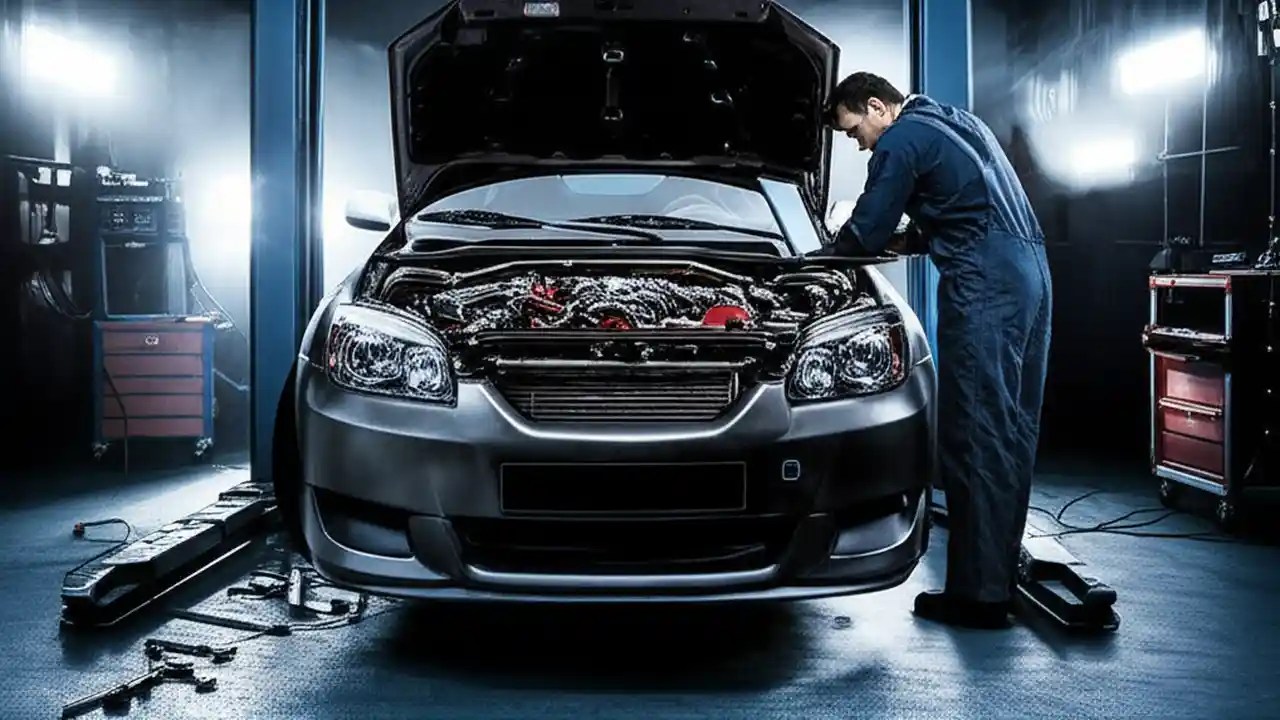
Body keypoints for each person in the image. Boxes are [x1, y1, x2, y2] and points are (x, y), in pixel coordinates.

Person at [812, 72, 1053, 630]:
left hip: (985, 284)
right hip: (1032, 276)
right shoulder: (959, 124)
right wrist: (907, 239)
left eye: (854, 131)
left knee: (975, 433)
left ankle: (978, 598)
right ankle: (997, 580)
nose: (860, 144)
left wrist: (815, 260)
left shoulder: (898, 141)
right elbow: (964, 205)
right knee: (1011, 433)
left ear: (877, 106)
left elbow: (864, 232)